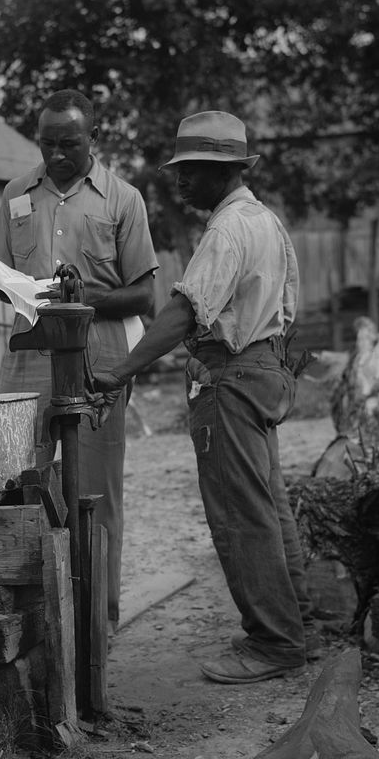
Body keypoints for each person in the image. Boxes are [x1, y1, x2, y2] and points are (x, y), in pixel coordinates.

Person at [91, 109, 320, 684]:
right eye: (180, 169)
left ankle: (273, 643)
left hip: (234, 380)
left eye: (191, 170)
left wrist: (121, 370)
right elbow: (287, 307)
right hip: (265, 368)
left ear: (225, 171)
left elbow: (185, 311)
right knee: (270, 507)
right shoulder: (265, 221)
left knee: (241, 516)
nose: (180, 180)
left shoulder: (227, 230)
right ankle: (297, 627)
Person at [0, 89, 159, 635]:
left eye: (68, 144)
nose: (56, 155)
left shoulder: (123, 199)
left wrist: (79, 298)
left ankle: (96, 624)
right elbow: (8, 285)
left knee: (93, 493)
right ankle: (23, 619)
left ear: (94, 138)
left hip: (100, 357)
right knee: (14, 483)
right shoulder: (16, 194)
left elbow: (143, 297)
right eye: (46, 144)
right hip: (28, 357)